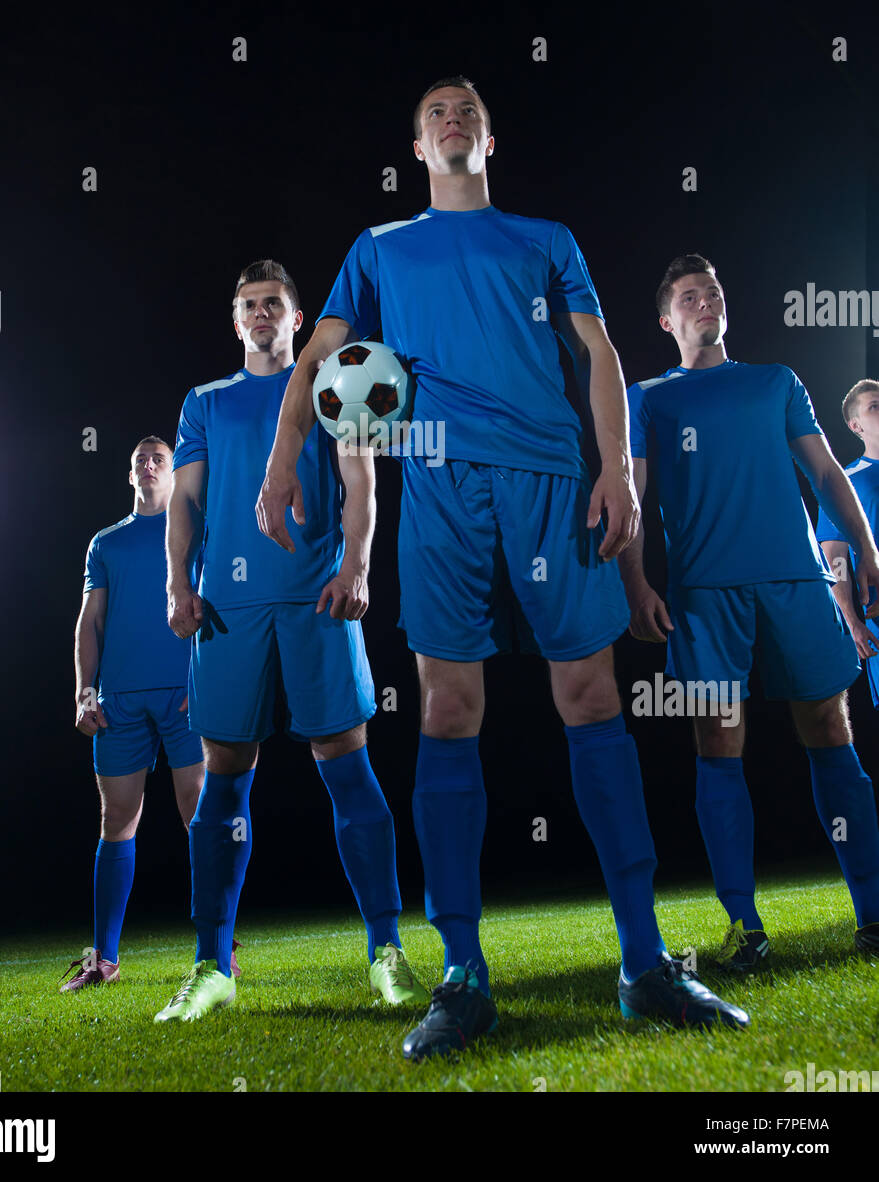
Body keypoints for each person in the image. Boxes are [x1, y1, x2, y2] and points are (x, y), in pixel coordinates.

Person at [257, 78, 748, 1058]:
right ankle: (462, 977)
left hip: (553, 479)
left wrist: (617, 467)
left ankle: (644, 965)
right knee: (446, 711)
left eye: (467, 111)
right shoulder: (379, 247)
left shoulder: (545, 239)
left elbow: (600, 354)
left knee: (592, 697)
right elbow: (319, 359)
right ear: (416, 145)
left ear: (490, 138)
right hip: (439, 486)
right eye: (435, 112)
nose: (452, 119)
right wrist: (279, 464)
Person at [155, 261, 424, 1023]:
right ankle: (212, 966)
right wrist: (176, 585)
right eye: (248, 304)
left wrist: (356, 565)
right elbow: (185, 502)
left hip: (317, 599)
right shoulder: (204, 401)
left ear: (298, 319)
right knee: (223, 779)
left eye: (273, 302)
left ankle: (385, 953)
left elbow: (360, 481)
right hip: (228, 609)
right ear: (235, 320)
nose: (260, 313)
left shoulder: (336, 381)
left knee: (346, 764)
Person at [621, 255, 879, 971]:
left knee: (829, 727)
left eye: (712, 292)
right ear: (666, 319)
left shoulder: (776, 381)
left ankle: (873, 913)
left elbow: (825, 471)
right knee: (717, 741)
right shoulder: (648, 397)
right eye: (688, 296)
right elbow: (633, 497)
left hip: (796, 579)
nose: (704, 301)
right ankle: (745, 926)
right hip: (704, 594)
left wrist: (866, 549)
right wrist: (636, 584)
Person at [63, 437, 210, 992]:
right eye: (140, 461)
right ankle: (103, 959)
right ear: (130, 476)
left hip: (185, 693)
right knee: (116, 820)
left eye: (159, 459)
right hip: (120, 700)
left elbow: (214, 603)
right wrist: (85, 691)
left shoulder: (195, 531)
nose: (149, 465)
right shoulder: (106, 542)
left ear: (173, 473)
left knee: (200, 816)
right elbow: (90, 621)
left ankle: (215, 949)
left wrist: (208, 678)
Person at [817, 379, 879, 713]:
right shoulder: (845, 483)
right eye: (875, 407)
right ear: (856, 426)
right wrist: (853, 621)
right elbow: (834, 557)